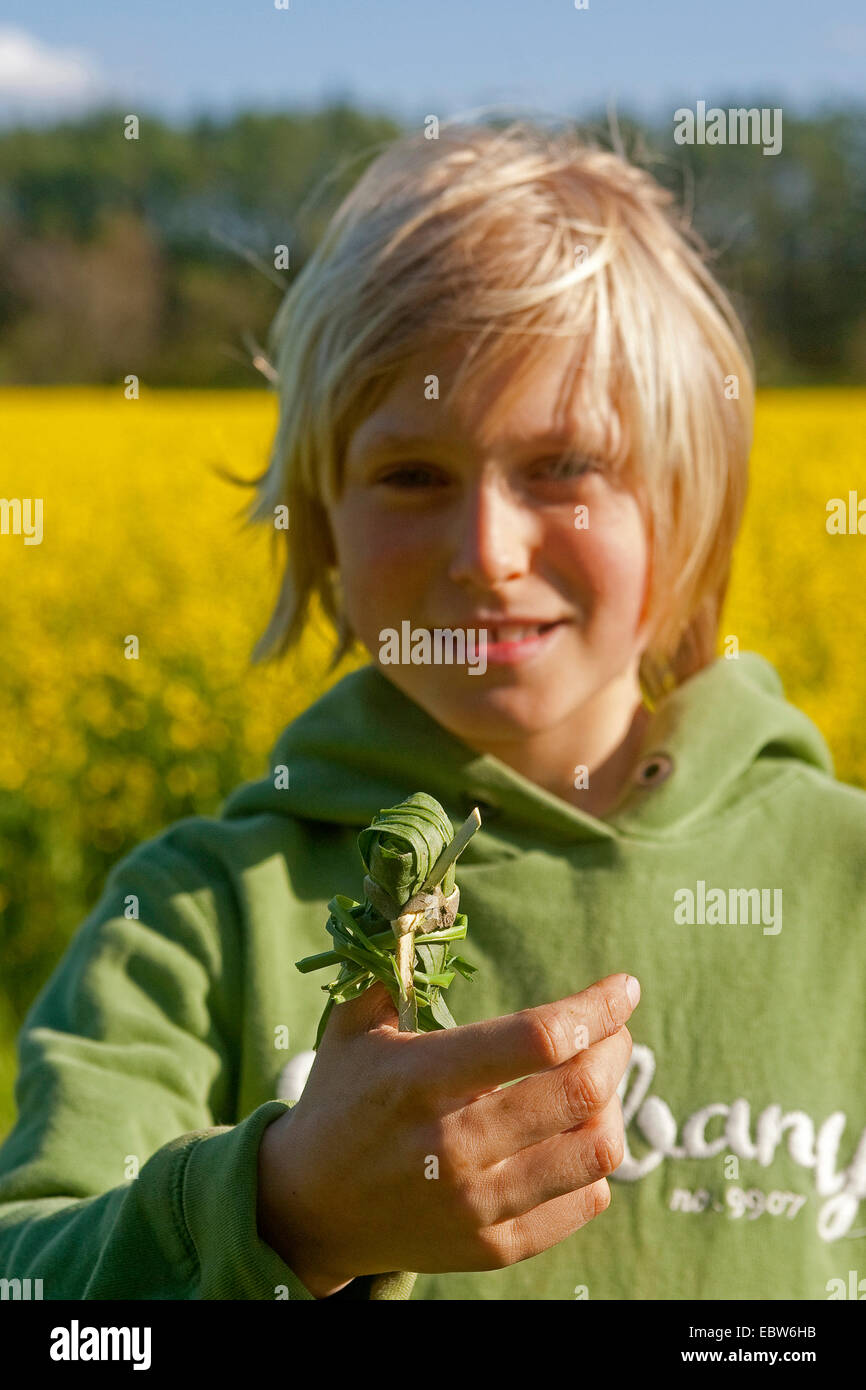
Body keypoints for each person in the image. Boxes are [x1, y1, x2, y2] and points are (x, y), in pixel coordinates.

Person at [1, 121, 863, 1302]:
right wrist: (284, 1214)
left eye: (561, 467)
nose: (485, 553)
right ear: (319, 521)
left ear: (687, 503)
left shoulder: (844, 881)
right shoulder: (195, 919)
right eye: (412, 476)